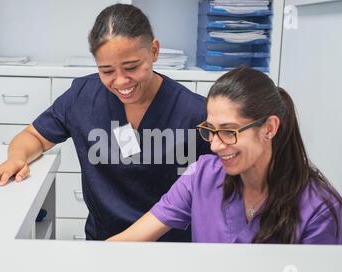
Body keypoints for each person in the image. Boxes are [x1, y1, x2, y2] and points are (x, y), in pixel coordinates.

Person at [0, 4, 209, 241]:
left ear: (153, 51)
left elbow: (220, 189)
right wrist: (17, 157)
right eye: (107, 70)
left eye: (131, 67)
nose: (121, 81)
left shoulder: (194, 113)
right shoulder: (83, 98)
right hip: (103, 243)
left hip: (172, 248)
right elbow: (34, 136)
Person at [108, 66, 342, 244]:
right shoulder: (203, 175)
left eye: (229, 132)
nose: (215, 146)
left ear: (269, 128)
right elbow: (128, 241)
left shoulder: (318, 209)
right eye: (210, 130)